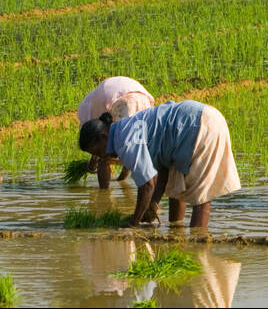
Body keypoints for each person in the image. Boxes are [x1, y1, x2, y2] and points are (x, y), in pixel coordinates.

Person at [78, 100, 241, 229]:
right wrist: (152, 205)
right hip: (196, 121)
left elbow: (147, 184)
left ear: (103, 136)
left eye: (96, 151)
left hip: (198, 125)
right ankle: (176, 229)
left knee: (201, 198)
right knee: (175, 188)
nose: (97, 156)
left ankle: (198, 249)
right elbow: (161, 172)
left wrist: (134, 222)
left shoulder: (125, 142)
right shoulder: (123, 129)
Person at [76, 76, 156, 188]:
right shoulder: (95, 104)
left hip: (122, 102)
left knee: (105, 158)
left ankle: (104, 195)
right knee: (136, 147)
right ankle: (148, 190)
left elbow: (97, 146)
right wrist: (121, 180)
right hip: (142, 98)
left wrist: (93, 163)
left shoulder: (89, 120)